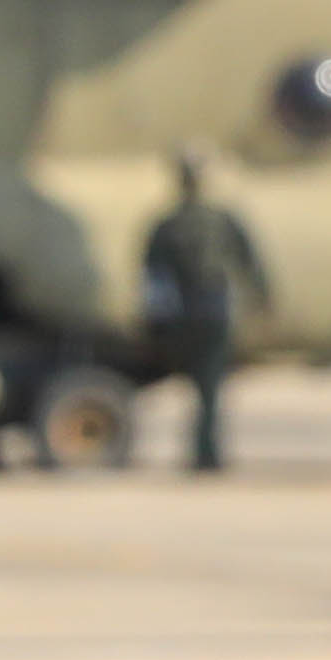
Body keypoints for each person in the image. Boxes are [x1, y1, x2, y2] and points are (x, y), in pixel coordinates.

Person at [132, 146, 272, 475]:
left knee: (200, 388)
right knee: (209, 389)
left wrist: (155, 317)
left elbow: (153, 276)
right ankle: (207, 455)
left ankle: (203, 453)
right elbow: (250, 263)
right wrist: (262, 301)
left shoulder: (168, 224)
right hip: (213, 313)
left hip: (185, 315)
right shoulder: (220, 219)